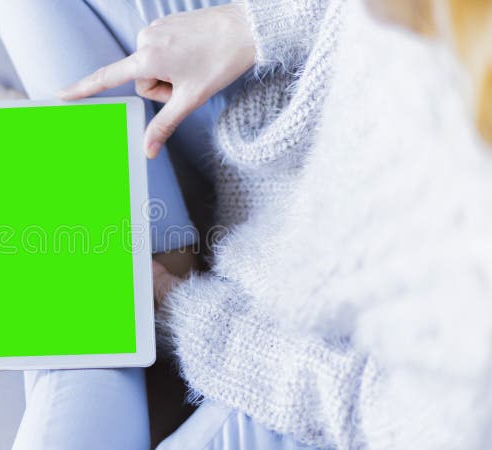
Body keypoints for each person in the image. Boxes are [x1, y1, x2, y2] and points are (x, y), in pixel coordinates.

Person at [60, 0, 492, 447]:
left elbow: (357, 406)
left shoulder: (470, 380)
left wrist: (185, 313)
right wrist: (246, 28)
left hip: (283, 335)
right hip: (269, 131)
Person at [0, 1, 319, 449]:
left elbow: (349, 399)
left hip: (290, 347)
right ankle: (54, 156)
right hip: (282, 125)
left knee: (83, 333)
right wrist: (247, 26)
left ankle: (52, 163)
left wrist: (180, 308)